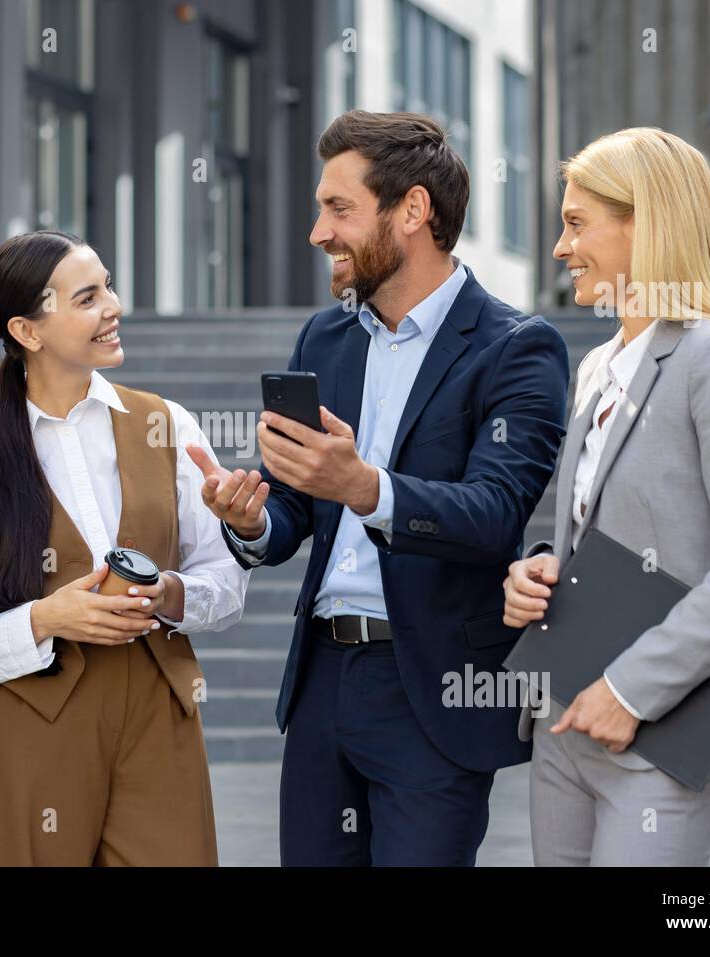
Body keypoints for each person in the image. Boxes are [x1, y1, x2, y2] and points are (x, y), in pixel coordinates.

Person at [191, 110, 570, 866]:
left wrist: (367, 487)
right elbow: (296, 507)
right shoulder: (323, 338)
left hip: (433, 691)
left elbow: (494, 515)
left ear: (413, 211)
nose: (317, 232)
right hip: (323, 686)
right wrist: (253, 519)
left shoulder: (518, 349)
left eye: (339, 209)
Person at [502, 127, 710, 866]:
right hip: (563, 720)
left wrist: (632, 690)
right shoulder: (597, 365)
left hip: (659, 730)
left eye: (577, 224)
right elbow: (607, 520)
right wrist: (537, 569)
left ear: (648, 223)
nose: (559, 247)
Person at [0, 230, 249, 866]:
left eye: (111, 288)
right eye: (88, 297)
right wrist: (46, 618)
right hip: (30, 729)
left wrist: (172, 595)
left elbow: (226, 584)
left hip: (160, 714)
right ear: (28, 330)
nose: (114, 307)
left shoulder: (167, 424)